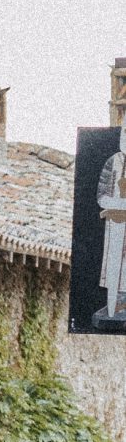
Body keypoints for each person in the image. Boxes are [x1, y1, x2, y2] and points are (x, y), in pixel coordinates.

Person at [97, 138, 126, 326]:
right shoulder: (113, 161)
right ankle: (115, 301)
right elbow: (101, 196)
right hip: (117, 220)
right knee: (116, 263)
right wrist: (119, 204)